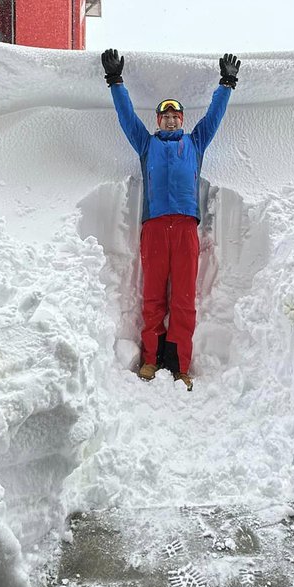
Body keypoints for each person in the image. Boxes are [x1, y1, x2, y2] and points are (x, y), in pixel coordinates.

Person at [101, 49, 241, 391]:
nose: (170, 121)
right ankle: (151, 358)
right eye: (165, 116)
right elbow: (127, 118)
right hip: (153, 228)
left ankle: (180, 364)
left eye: (175, 116)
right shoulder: (146, 145)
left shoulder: (195, 144)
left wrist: (226, 83)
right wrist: (115, 81)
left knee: (183, 299)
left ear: (181, 120)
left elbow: (213, 117)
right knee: (153, 297)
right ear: (158, 121)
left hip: (185, 230)